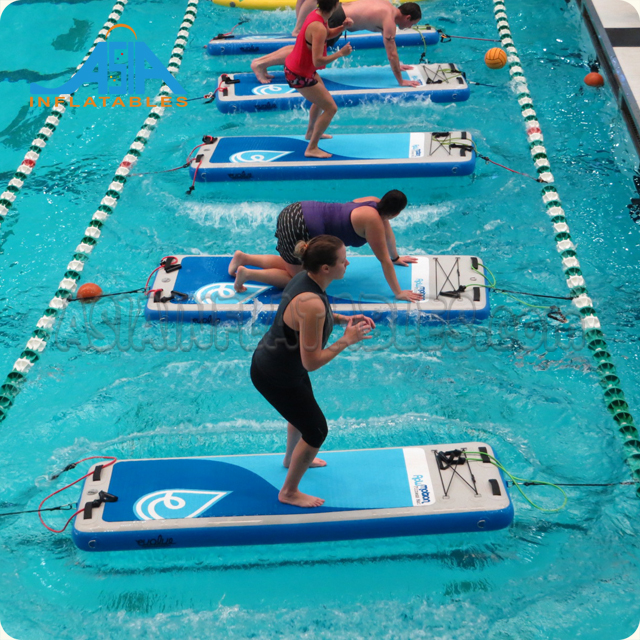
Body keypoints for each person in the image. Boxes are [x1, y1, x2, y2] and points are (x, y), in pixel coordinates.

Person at [250, 235, 375, 507]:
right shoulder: (312, 302)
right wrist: (347, 339)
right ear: (326, 267)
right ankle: (289, 492)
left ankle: (290, 458)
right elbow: (312, 362)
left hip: (279, 363)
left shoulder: (307, 279)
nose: (348, 263)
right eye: (343, 260)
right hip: (276, 375)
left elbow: (314, 316)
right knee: (317, 431)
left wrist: (343, 319)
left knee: (300, 414)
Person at [229, 190, 424, 302]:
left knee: (292, 261)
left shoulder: (373, 202)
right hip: (301, 225)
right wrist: (398, 292)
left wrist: (396, 257)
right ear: (396, 213)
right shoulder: (373, 220)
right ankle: (247, 273)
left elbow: (387, 233)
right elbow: (383, 260)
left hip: (297, 210)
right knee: (298, 278)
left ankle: (243, 257)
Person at [251, 0, 422, 89]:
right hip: (337, 19)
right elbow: (391, 52)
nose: (410, 27)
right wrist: (400, 81)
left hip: (336, 12)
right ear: (407, 17)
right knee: (305, 52)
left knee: (302, 47)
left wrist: (398, 64)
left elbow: (391, 51)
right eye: (412, 24)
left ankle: (262, 63)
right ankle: (260, 64)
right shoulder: (390, 21)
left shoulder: (387, 5)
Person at [282, 0, 353, 158]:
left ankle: (310, 133)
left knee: (320, 100)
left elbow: (327, 34)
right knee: (331, 108)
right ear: (334, 6)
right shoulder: (318, 26)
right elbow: (318, 60)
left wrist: (343, 27)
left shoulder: (318, 14)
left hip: (301, 68)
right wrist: (340, 53)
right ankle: (311, 148)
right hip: (298, 73)